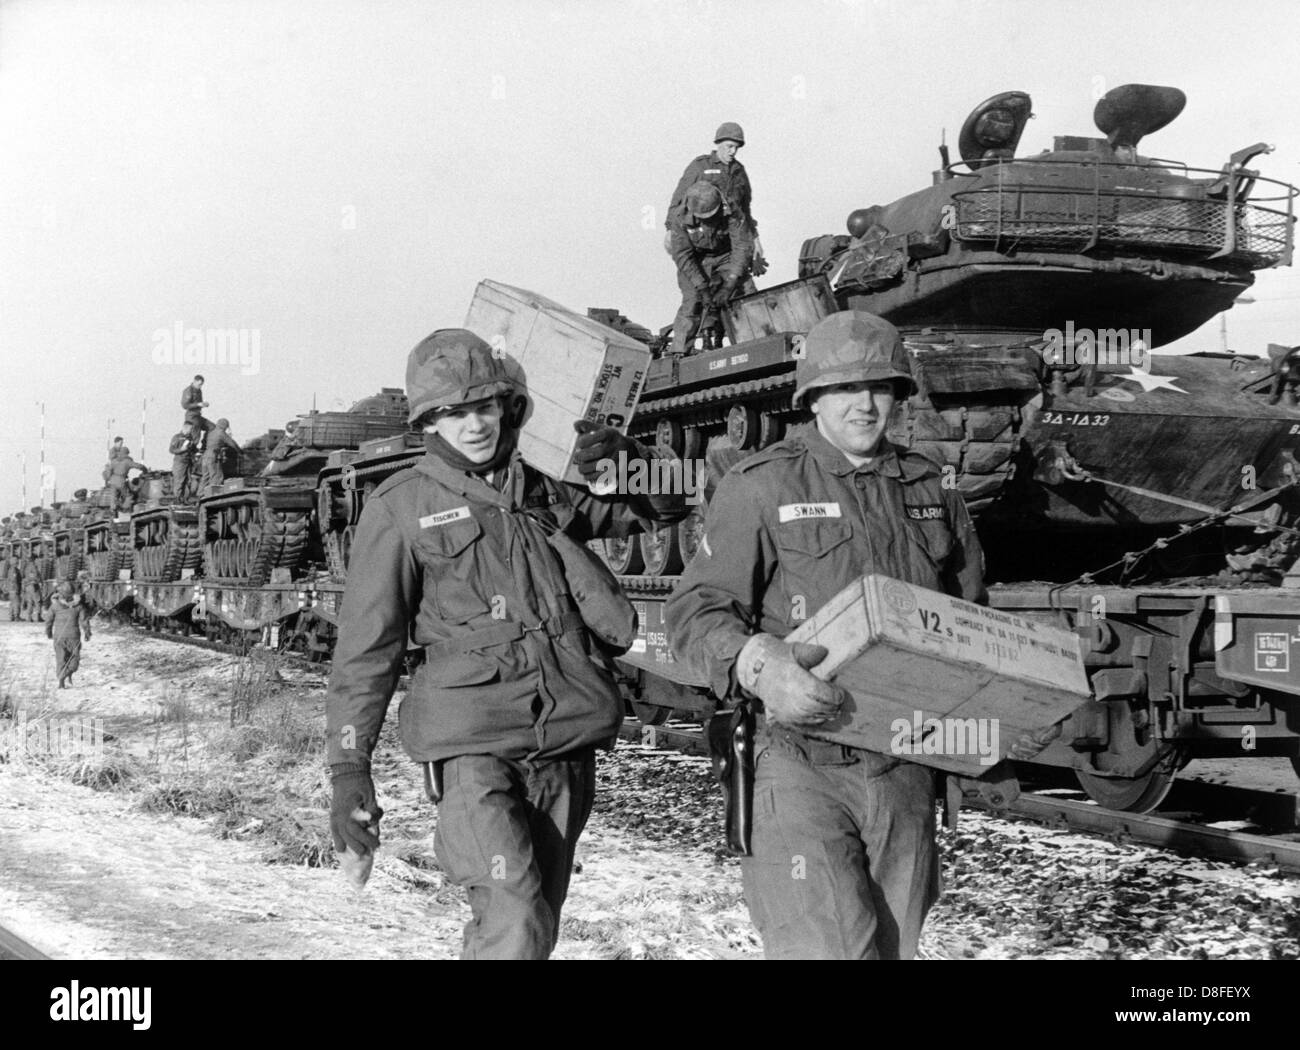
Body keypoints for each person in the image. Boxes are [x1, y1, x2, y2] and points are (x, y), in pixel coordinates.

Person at [325, 328, 686, 960]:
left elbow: (667, 507)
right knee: (513, 913)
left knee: (535, 921)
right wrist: (350, 771)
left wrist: (630, 462)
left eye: (485, 407)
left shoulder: (550, 485)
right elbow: (365, 651)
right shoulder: (400, 508)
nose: (474, 425)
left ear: (507, 407)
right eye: (453, 412)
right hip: (473, 745)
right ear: (427, 422)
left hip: (566, 738)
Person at [665, 310, 987, 960]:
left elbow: (967, 611)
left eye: (880, 387)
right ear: (812, 397)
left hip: (904, 764)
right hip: (797, 761)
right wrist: (760, 664)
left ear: (899, 394)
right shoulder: (761, 485)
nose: (864, 405)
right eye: (845, 388)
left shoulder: (930, 487)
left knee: (894, 949)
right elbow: (695, 613)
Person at [667, 121, 766, 278]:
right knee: (695, 298)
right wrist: (670, 230)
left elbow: (745, 211)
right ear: (718, 143)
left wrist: (755, 240)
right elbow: (677, 202)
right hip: (699, 246)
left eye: (736, 148)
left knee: (744, 294)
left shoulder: (739, 172)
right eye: (729, 146)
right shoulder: (699, 166)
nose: (733, 151)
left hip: (728, 246)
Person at [666, 181, 753, 357]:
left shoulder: (731, 209)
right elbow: (683, 256)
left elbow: (741, 246)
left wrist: (729, 284)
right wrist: (703, 288)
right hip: (696, 259)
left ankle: (756, 341)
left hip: (726, 254)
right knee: (692, 302)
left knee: (747, 292)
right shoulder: (679, 217)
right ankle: (679, 354)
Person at [45, 582, 92, 689]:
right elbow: (84, 621)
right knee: (74, 660)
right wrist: (87, 633)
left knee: (60, 659)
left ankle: (62, 678)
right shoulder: (79, 606)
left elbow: (48, 621)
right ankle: (65, 676)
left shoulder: (55, 605)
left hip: (59, 637)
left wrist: (48, 633)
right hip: (74, 637)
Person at [198, 418, 240, 493]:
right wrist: (239, 451)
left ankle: (200, 494)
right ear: (224, 426)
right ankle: (214, 494)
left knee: (205, 477)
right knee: (217, 476)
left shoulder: (211, 432)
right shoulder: (221, 433)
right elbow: (231, 443)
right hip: (213, 456)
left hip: (205, 456)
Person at [107, 447, 148, 513]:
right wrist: (144, 469)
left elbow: (108, 471)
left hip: (112, 480)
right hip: (121, 480)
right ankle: (124, 508)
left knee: (113, 497)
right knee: (128, 496)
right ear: (126, 453)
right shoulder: (127, 461)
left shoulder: (114, 461)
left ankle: (113, 509)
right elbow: (137, 466)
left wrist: (108, 478)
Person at [168, 424, 200, 502]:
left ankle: (185, 498)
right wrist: (181, 449)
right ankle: (177, 499)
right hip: (180, 462)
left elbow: (193, 449)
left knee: (188, 481)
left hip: (188, 462)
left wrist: (198, 451)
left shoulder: (190, 438)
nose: (191, 431)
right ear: (185, 429)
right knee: (179, 481)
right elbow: (171, 450)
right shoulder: (177, 437)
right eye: (190, 429)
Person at [3, 556, 20, 621]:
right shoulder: (14, 570)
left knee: (12, 603)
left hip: (11, 589)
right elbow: (14, 580)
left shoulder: (10, 569)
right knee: (16, 602)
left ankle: (11, 616)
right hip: (14, 589)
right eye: (17, 561)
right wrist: (16, 589)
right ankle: (16, 617)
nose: (18, 562)